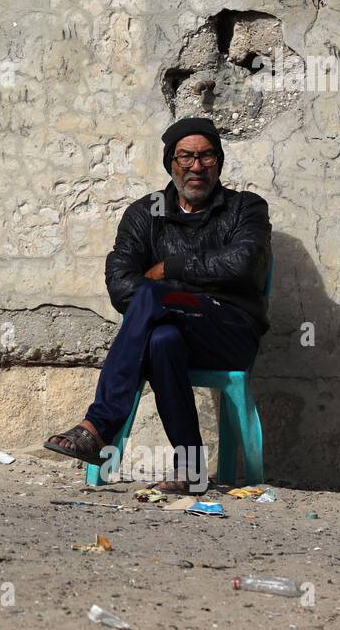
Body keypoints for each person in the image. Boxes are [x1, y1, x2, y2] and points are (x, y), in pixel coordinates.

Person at [44, 116, 271, 492]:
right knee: (161, 339)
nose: (196, 167)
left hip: (229, 330)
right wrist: (173, 296)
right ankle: (191, 471)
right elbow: (120, 286)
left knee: (151, 296)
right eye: (185, 157)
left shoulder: (245, 208)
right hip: (173, 331)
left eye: (207, 157)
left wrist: (170, 269)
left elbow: (242, 264)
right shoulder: (144, 214)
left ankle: (99, 426)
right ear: (171, 163)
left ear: (219, 162)